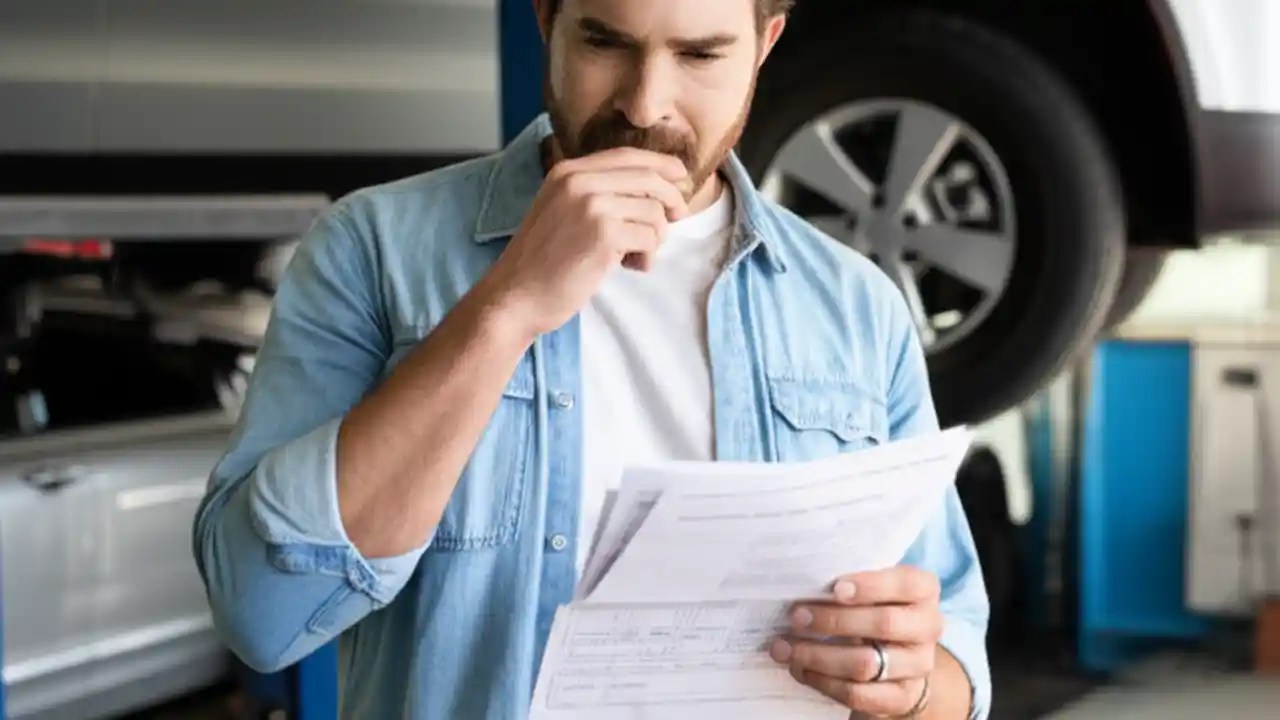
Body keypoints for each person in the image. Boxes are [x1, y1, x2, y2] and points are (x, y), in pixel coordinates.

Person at [191, 0, 991, 718]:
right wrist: (507, 307)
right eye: (605, 42)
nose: (645, 105)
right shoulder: (372, 250)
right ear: (547, 21)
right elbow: (263, 613)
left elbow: (955, 660)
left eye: (700, 55)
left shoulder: (856, 306)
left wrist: (911, 682)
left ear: (764, 44)